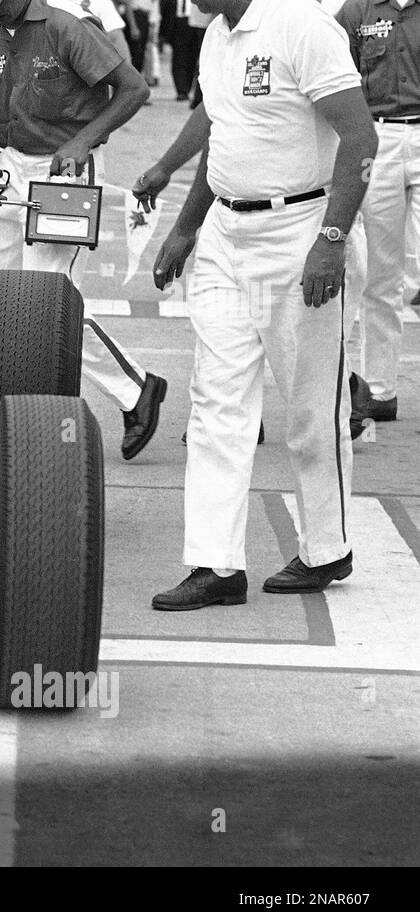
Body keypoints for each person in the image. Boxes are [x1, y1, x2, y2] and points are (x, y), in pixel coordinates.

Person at [148, 0, 376, 610]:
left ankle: (328, 547)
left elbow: (360, 137)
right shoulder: (216, 37)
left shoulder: (301, 26)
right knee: (215, 402)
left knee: (308, 409)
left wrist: (330, 242)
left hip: (300, 230)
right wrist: (185, 228)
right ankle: (215, 564)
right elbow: (222, 135)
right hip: (227, 234)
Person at [0, 0, 170, 460]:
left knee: (49, 305)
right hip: (8, 167)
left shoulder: (67, 28)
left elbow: (132, 90)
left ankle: (136, 390)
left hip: (64, 172)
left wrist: (83, 139)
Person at [335, 0, 418, 427]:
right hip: (378, 138)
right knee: (381, 273)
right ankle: (381, 389)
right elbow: (335, 81)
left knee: (413, 268)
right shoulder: (357, 12)